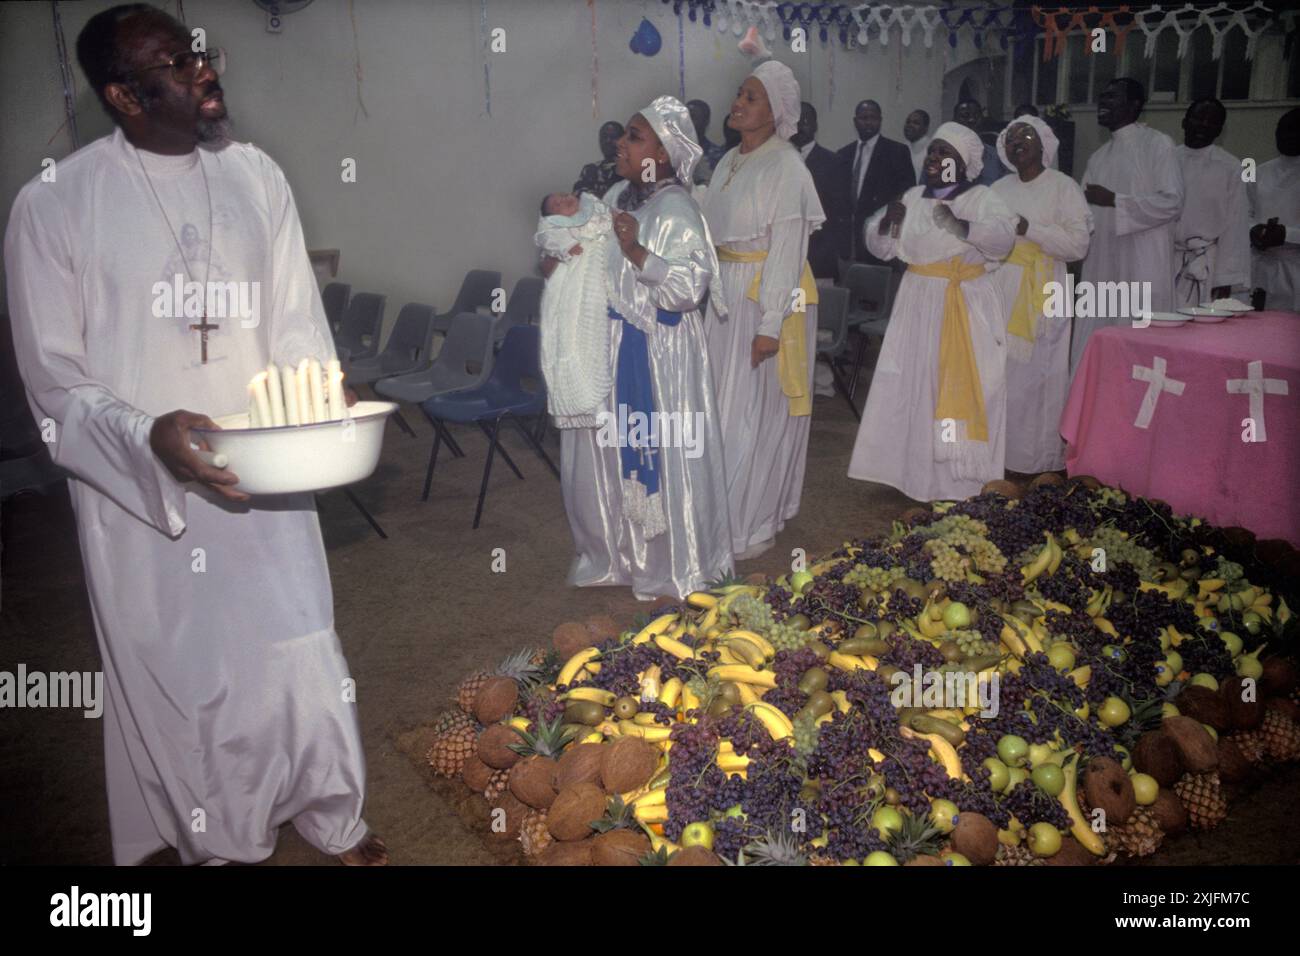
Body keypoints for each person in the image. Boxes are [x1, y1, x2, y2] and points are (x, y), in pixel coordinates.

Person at [4, 4, 385, 866]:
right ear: (123, 95)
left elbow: (293, 323)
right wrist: (146, 436)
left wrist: (315, 401)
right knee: (185, 672)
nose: (203, 69)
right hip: (144, 490)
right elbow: (54, 380)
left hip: (264, 469)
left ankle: (331, 807)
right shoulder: (54, 206)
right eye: (175, 63)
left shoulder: (256, 176)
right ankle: (221, 835)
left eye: (198, 52)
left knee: (297, 640)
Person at [543, 97, 733, 599]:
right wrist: (563, 257)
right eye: (624, 135)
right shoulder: (614, 195)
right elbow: (583, 255)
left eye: (633, 136)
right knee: (602, 456)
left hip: (658, 352)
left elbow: (688, 291)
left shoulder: (678, 209)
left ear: (664, 154)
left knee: (661, 447)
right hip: (607, 340)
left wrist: (637, 252)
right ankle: (616, 555)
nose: (621, 144)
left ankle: (672, 561)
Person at [847, 123, 1017, 501]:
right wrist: (889, 222)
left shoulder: (981, 198)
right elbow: (882, 248)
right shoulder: (913, 196)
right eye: (933, 151)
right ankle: (913, 475)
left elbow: (1004, 240)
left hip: (964, 304)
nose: (935, 158)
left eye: (945, 152)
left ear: (964, 162)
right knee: (915, 386)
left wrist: (963, 226)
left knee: (956, 385)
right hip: (916, 303)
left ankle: (960, 480)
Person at [699, 61, 825, 560]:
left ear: (777, 112)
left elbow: (788, 250)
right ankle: (713, 516)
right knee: (721, 409)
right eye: (739, 93)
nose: (738, 104)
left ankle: (749, 523)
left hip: (767, 299)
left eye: (751, 98)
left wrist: (771, 323)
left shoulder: (788, 167)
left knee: (752, 414)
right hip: (727, 294)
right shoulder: (730, 159)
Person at [989, 117, 1093, 474]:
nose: (1017, 141)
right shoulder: (998, 189)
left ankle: (1038, 462)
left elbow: (1078, 245)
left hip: (1045, 289)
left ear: (1044, 144)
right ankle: (999, 456)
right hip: (1000, 286)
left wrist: (1028, 229)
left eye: (1026, 135)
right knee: (1002, 375)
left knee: (1039, 377)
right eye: (1010, 137)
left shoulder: (1063, 187)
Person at [1075, 78, 1183, 370]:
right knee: (1100, 329)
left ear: (1135, 105)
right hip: (1103, 260)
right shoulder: (1098, 156)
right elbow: (1083, 211)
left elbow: (1172, 201)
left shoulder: (1158, 144)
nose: (1103, 103)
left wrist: (1116, 200)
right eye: (1102, 97)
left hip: (1142, 259)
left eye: (1112, 97)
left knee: (1138, 336)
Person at [535, 190, 615, 427]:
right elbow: (547, 243)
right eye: (557, 204)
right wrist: (566, 247)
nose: (564, 200)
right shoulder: (555, 228)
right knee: (571, 337)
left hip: (606, 291)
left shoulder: (595, 208)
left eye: (564, 195)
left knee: (596, 348)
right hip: (573, 290)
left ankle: (598, 404)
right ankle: (580, 398)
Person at [1173, 98, 1250, 308]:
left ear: (1219, 130)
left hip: (1207, 265)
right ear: (1184, 121)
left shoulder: (1230, 167)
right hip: (1165, 259)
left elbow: (1236, 226)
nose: (1204, 125)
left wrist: (1225, 278)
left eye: (1212, 121)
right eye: (1198, 118)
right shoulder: (1166, 159)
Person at [837, 99, 915, 264]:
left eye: (873, 118)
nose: (868, 122)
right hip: (848, 240)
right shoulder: (843, 154)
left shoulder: (897, 152)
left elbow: (908, 193)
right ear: (855, 121)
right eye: (863, 118)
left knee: (875, 287)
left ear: (880, 120)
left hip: (880, 234)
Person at [1247, 107, 1300, 312]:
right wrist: (1253, 229)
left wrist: (1286, 233)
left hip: (1295, 267)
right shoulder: (1258, 171)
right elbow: (1244, 212)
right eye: (1283, 130)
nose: (1288, 136)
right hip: (1260, 266)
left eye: (1295, 130)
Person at [790, 101, 848, 280]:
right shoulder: (778, 161)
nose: (799, 126)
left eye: (805, 121)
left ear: (815, 125)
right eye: (795, 122)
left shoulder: (834, 162)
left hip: (820, 255)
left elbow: (841, 212)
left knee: (816, 306)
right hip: (785, 254)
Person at [953, 98, 1007, 187]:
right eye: (964, 116)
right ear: (954, 121)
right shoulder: (940, 158)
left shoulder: (997, 157)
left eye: (976, 115)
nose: (971, 120)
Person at [573, 120, 624, 196]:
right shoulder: (590, 169)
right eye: (604, 137)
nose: (607, 141)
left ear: (623, 139)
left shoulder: (630, 168)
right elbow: (578, 196)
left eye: (613, 137)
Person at [688, 98, 727, 180]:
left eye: (693, 117)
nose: (687, 121)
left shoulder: (718, 156)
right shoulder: (672, 151)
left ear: (706, 121)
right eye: (685, 117)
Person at [904, 108, 932, 184]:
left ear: (926, 128)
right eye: (908, 122)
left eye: (916, 123)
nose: (909, 125)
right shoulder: (903, 147)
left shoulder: (932, 149)